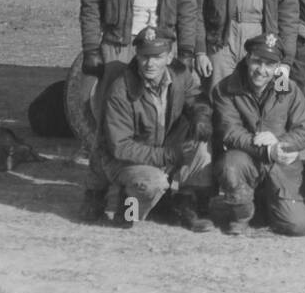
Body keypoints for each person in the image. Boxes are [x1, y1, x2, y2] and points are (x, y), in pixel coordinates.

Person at [87, 26, 215, 233]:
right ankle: (127, 206)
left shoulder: (180, 76)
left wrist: (201, 116)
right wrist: (169, 155)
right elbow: (121, 147)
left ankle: (185, 205)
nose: (150, 63)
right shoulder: (120, 89)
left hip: (162, 149)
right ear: (136, 56)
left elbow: (196, 98)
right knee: (152, 184)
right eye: (144, 56)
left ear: (169, 56)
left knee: (203, 146)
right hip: (126, 161)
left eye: (157, 57)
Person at [210, 33, 305, 237]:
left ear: (278, 67)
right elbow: (230, 131)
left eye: (269, 64)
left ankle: (275, 201)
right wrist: (266, 150)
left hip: (281, 164)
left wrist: (280, 143)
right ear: (247, 58)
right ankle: (241, 213)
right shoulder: (226, 89)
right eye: (257, 61)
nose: (262, 70)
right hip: (246, 160)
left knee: (299, 226)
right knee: (230, 165)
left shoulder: (287, 88)